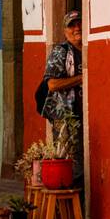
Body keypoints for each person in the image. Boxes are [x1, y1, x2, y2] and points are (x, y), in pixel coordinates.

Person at [40, 10, 84, 182]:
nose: (77, 28)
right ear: (65, 31)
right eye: (71, 26)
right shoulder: (61, 51)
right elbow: (52, 84)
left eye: (79, 23)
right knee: (72, 165)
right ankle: (69, 207)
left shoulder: (90, 49)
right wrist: (82, 78)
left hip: (86, 117)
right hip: (67, 119)